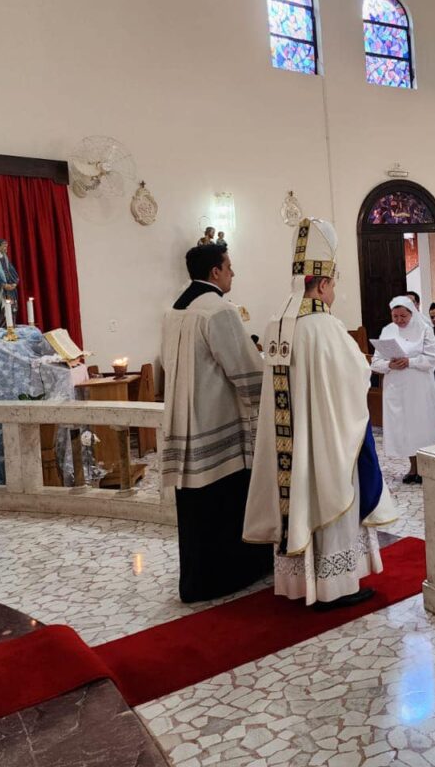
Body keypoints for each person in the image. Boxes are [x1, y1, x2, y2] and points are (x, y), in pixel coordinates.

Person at [244, 218, 395, 609]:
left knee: (296, 498)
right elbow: (355, 376)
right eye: (334, 287)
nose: (333, 294)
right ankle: (335, 586)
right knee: (330, 492)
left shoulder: (276, 324)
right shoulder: (324, 326)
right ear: (323, 284)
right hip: (322, 440)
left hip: (288, 446)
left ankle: (296, 584)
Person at [160, 241, 272, 603]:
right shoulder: (218, 310)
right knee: (224, 501)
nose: (233, 273)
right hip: (216, 419)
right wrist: (273, 388)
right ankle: (228, 576)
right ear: (215, 272)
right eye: (229, 266)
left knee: (197, 508)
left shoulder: (175, 309)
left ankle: (196, 580)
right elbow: (243, 367)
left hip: (184, 421)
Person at [372, 296, 435, 485]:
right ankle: (413, 467)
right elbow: (375, 362)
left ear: (412, 313)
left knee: (420, 427)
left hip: (418, 387)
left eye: (403, 316)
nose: (399, 320)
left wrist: (410, 361)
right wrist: (389, 364)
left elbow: (433, 357)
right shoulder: (388, 330)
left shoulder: (424, 329)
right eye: (395, 316)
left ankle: (425, 468)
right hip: (396, 387)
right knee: (404, 430)